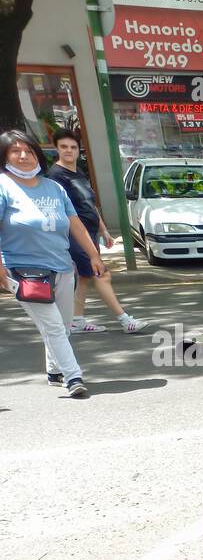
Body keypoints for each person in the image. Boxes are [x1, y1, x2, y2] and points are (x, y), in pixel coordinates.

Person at [0, 128, 105, 398]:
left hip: (62, 268)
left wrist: (94, 255)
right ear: (5, 156)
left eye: (29, 151)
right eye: (15, 151)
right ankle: (74, 377)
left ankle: (54, 370)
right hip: (26, 272)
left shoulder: (54, 188)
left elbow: (76, 226)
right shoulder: (4, 187)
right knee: (54, 326)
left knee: (63, 325)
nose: (23, 156)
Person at [45, 129, 144, 333]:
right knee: (101, 274)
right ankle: (125, 320)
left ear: (79, 149)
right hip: (74, 235)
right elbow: (62, 211)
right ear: (56, 149)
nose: (69, 151)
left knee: (85, 276)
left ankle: (76, 321)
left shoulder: (78, 172)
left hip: (91, 232)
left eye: (73, 147)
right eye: (64, 147)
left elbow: (89, 204)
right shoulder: (55, 176)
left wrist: (104, 230)